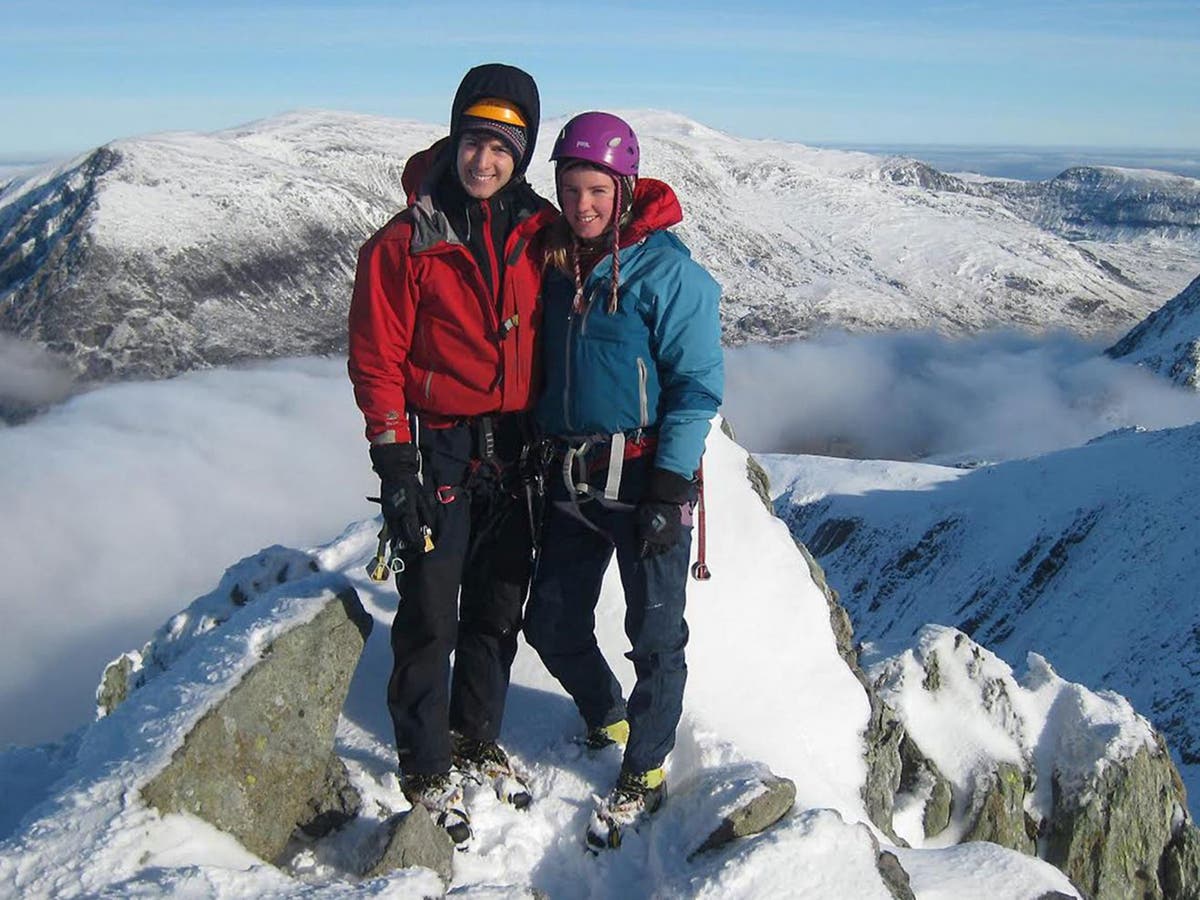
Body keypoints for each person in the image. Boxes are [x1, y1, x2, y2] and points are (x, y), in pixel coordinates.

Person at [347, 63, 556, 845]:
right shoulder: (406, 241)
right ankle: (425, 762)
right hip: (437, 448)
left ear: (523, 152)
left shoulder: (540, 231)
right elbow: (377, 362)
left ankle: (475, 734)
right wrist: (394, 464)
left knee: (498, 608)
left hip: (518, 451)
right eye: (475, 141)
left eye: (503, 146)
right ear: (454, 140)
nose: (485, 160)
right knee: (432, 610)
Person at [522, 111, 724, 850]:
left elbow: (698, 387)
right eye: (571, 190)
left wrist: (670, 492)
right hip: (572, 480)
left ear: (625, 189)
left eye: (597, 191)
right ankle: (607, 714)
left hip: (642, 483)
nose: (582, 206)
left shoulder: (670, 273)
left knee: (656, 636)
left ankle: (645, 767)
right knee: (549, 621)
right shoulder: (557, 264)